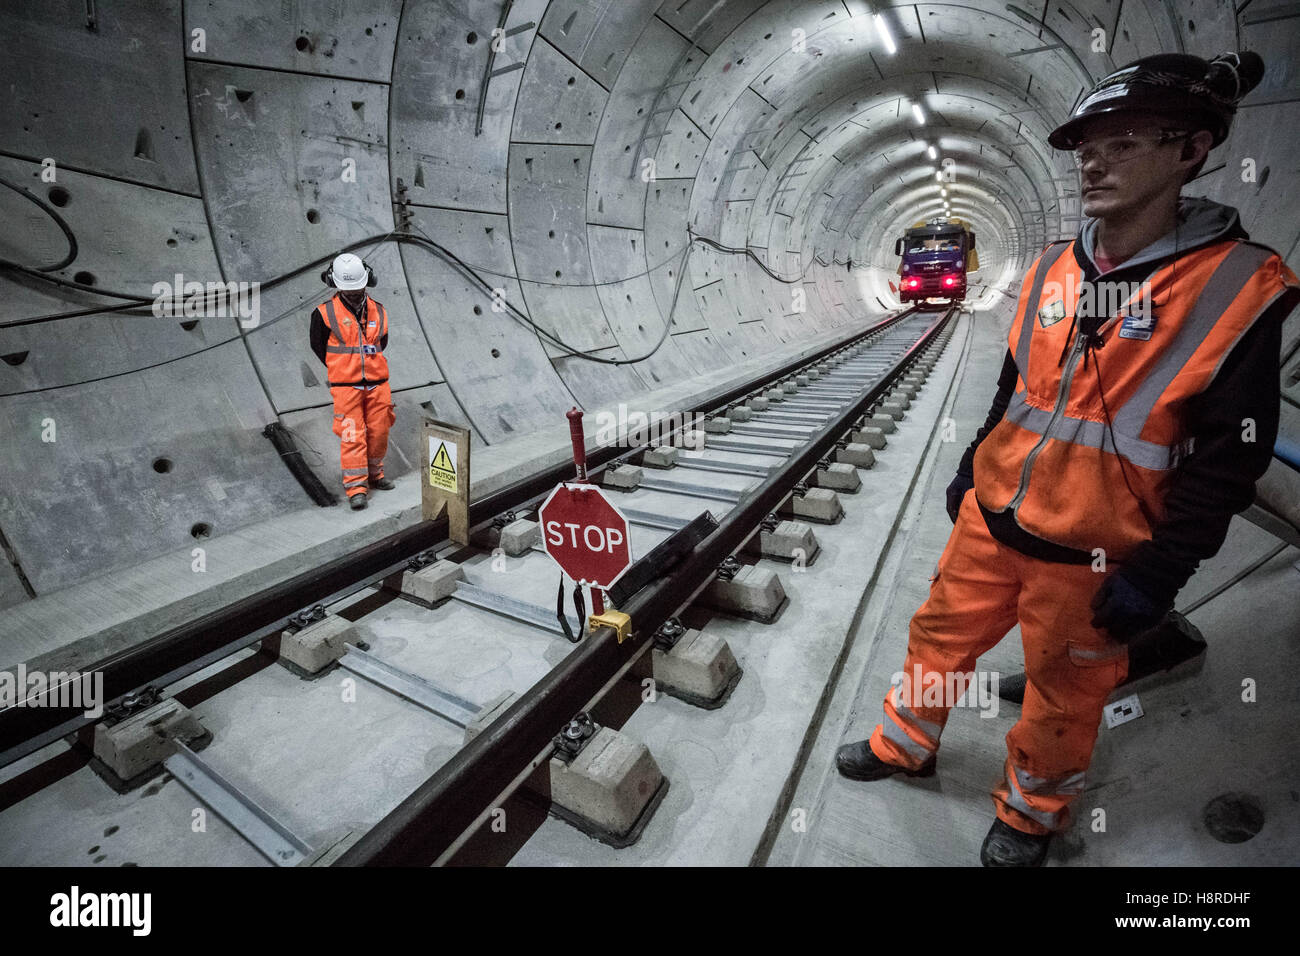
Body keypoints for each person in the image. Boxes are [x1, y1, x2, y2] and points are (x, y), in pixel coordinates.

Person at [836, 51, 1300, 866]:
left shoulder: (1236, 285)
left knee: (1064, 695)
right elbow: (1018, 383)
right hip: (991, 518)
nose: (1093, 161)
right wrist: (973, 463)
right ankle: (904, 744)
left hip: (1094, 553)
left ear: (1191, 151)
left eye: (1123, 144)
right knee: (936, 641)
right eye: (1087, 146)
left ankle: (1029, 816)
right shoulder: (1055, 263)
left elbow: (1233, 456)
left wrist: (1162, 572)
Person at [309, 252, 396, 510]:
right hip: (346, 389)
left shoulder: (379, 311)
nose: (354, 294)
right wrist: (344, 369)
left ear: (367, 280)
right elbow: (318, 347)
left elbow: (382, 343)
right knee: (352, 436)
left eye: (358, 288)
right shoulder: (323, 313)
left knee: (379, 432)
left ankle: (375, 475)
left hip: (378, 385)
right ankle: (356, 488)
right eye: (348, 290)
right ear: (334, 284)